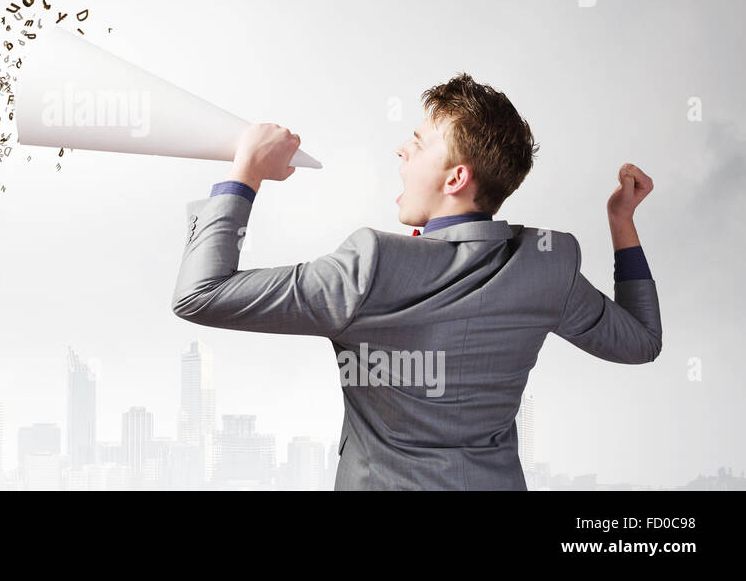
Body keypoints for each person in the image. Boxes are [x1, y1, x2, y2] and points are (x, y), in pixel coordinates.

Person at [172, 72, 660, 490]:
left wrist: (245, 174)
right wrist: (622, 221)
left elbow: (201, 295)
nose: (402, 150)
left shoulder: (371, 267)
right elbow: (641, 343)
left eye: (420, 142)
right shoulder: (546, 266)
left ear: (455, 179)